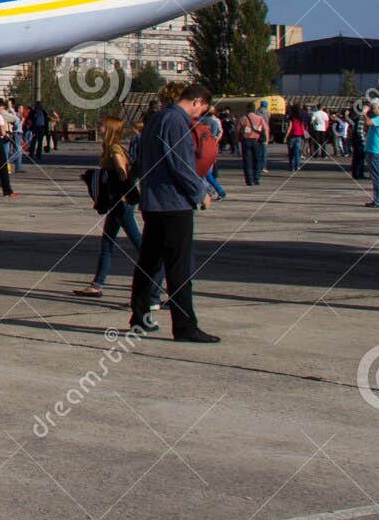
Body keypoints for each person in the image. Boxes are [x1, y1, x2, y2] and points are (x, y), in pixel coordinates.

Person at [129, 83, 219, 343]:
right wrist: (199, 192)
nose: (199, 116)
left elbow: (142, 158)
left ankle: (140, 317)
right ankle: (184, 326)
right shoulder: (176, 122)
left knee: (149, 262)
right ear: (198, 101)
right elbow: (180, 163)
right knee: (178, 266)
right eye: (201, 110)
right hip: (174, 203)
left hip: (154, 202)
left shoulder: (156, 118)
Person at [75, 114, 152, 310]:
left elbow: (122, 172)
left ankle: (155, 287)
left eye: (102, 125)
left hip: (121, 203)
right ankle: (97, 284)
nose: (99, 127)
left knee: (140, 246)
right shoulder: (111, 148)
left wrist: (123, 190)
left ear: (109, 128)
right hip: (118, 203)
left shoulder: (115, 149)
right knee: (107, 243)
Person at [362, 94, 379, 208]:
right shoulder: (378, 119)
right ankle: (377, 199)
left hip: (375, 151)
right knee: (375, 176)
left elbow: (368, 122)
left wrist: (364, 113)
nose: (372, 110)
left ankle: (378, 201)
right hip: (371, 150)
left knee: (376, 176)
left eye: (373, 108)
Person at [239, 101, 269, 186]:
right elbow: (265, 129)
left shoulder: (243, 118)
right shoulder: (260, 118)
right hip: (257, 141)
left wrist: (237, 140)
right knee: (257, 160)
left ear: (247, 109)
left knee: (247, 161)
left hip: (246, 140)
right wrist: (266, 140)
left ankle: (249, 180)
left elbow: (238, 130)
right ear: (254, 109)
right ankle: (256, 178)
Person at [286, 105, 307, 172]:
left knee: (291, 153)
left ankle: (292, 167)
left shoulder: (291, 117)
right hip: (299, 136)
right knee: (297, 152)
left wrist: (286, 136)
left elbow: (290, 127)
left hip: (292, 135)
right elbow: (303, 127)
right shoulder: (300, 117)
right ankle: (297, 166)